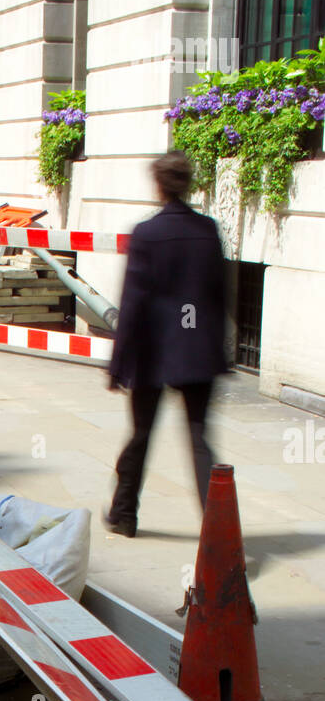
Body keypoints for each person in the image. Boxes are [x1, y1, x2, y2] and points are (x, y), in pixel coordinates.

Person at [104, 151, 227, 537]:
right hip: (196, 348)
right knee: (199, 440)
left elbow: (133, 304)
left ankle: (124, 515)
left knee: (141, 435)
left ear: (158, 185)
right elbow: (220, 294)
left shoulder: (147, 234)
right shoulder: (208, 230)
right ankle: (219, 530)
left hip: (153, 350)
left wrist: (118, 364)